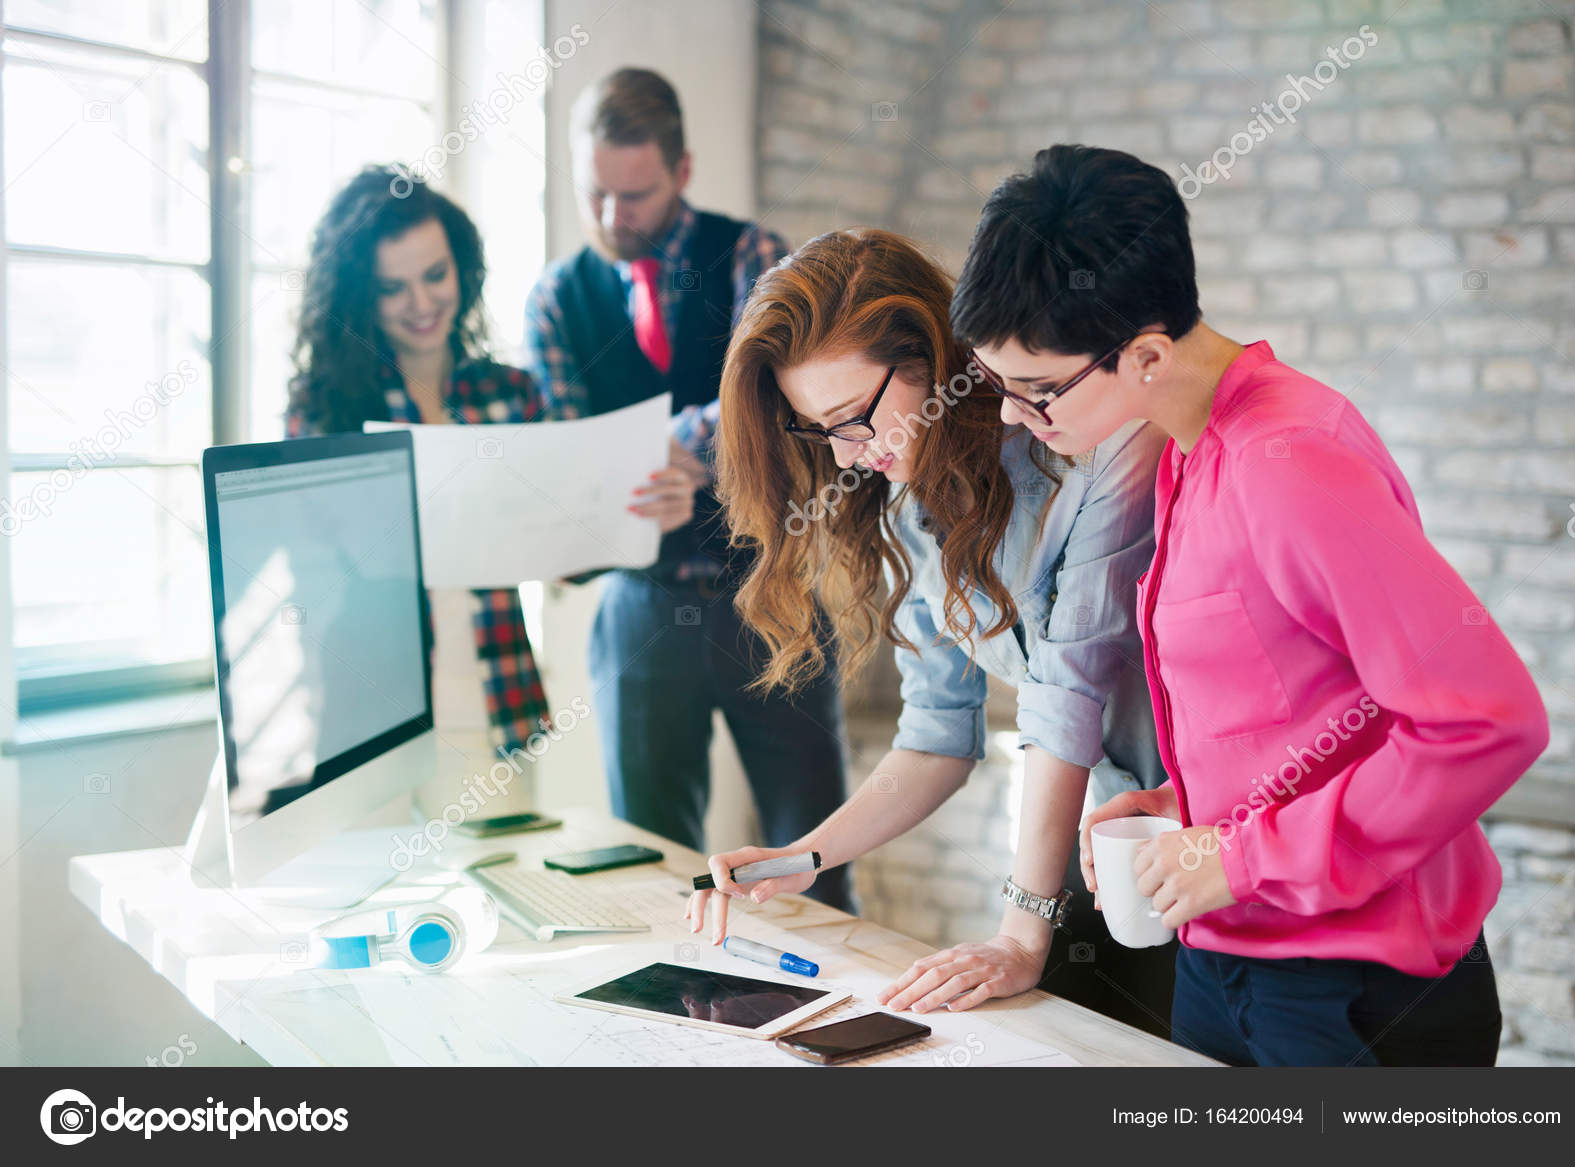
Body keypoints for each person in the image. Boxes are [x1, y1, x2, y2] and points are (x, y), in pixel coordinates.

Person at [953, 143, 1550, 1066]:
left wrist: (1236, 857)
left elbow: (1484, 722)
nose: (1012, 417)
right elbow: (1297, 710)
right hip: (1228, 966)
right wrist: (1174, 803)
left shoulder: (1294, 462)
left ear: (1145, 353)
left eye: (1036, 391)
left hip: (1349, 995)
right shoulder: (1192, 449)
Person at [685, 227, 1178, 1031]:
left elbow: (1065, 698)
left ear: (932, 357)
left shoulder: (1078, 449)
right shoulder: (913, 507)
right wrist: (804, 857)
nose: (849, 457)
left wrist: (1022, 928)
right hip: (1117, 843)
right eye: (825, 431)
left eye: (857, 418)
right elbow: (938, 735)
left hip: (1219, 830)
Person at [526, 68, 854, 912]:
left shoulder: (750, 253)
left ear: (682, 171)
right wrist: (614, 487)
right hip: (639, 609)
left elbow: (779, 390)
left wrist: (683, 449)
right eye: (594, 193)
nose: (611, 217)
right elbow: (567, 456)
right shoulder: (556, 300)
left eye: (633, 195)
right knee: (651, 861)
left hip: (769, 592)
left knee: (813, 855)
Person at [286, 165, 556, 755]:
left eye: (436, 275)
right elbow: (314, 564)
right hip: (371, 700)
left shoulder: (511, 393)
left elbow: (556, 545)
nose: (422, 302)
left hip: (502, 697)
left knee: (516, 848)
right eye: (392, 287)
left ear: (464, 268)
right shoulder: (328, 408)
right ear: (361, 296)